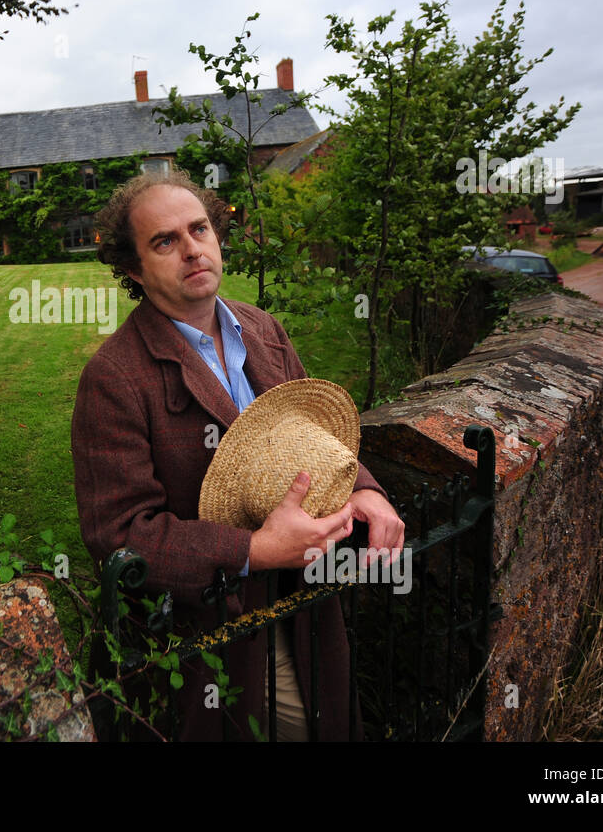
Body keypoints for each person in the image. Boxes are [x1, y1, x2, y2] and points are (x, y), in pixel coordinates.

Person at [71, 169, 404, 741]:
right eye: (164, 241)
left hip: (307, 595)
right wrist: (254, 549)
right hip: (215, 622)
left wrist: (365, 489)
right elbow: (119, 534)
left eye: (198, 229)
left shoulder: (262, 329)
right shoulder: (115, 377)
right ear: (134, 268)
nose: (191, 249)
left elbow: (315, 434)